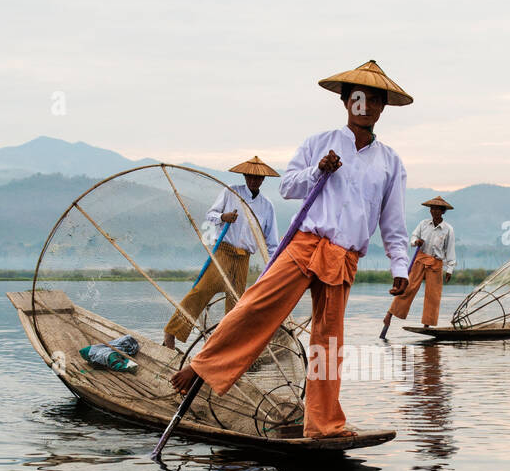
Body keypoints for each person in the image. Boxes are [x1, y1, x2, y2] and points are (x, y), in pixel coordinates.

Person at [171, 59, 413, 439]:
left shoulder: (390, 162)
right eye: (358, 99)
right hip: (305, 243)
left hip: (344, 256)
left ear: (382, 107)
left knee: (327, 342)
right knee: (258, 305)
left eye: (374, 101)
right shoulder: (320, 143)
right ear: (347, 102)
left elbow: (393, 223)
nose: (366, 107)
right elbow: (288, 187)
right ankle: (201, 366)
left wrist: (400, 267)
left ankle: (323, 424)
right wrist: (319, 170)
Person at [162, 156, 280, 348]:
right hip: (224, 252)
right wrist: (223, 217)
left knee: (236, 304)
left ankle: (225, 345)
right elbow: (210, 215)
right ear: (244, 176)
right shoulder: (231, 192)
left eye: (257, 178)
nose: (253, 180)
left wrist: (273, 267)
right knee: (201, 291)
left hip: (244, 258)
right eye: (249, 176)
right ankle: (171, 333)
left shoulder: (267, 206)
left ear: (263, 180)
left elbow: (272, 242)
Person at [380, 195, 456, 336]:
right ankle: (389, 316)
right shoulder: (423, 224)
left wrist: (450, 269)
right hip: (420, 259)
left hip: (436, 264)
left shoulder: (448, 229)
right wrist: (417, 242)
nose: (434, 211)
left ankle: (426, 325)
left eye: (437, 209)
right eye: (432, 208)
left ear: (443, 211)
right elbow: (413, 238)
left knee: (433, 295)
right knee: (408, 288)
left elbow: (450, 250)